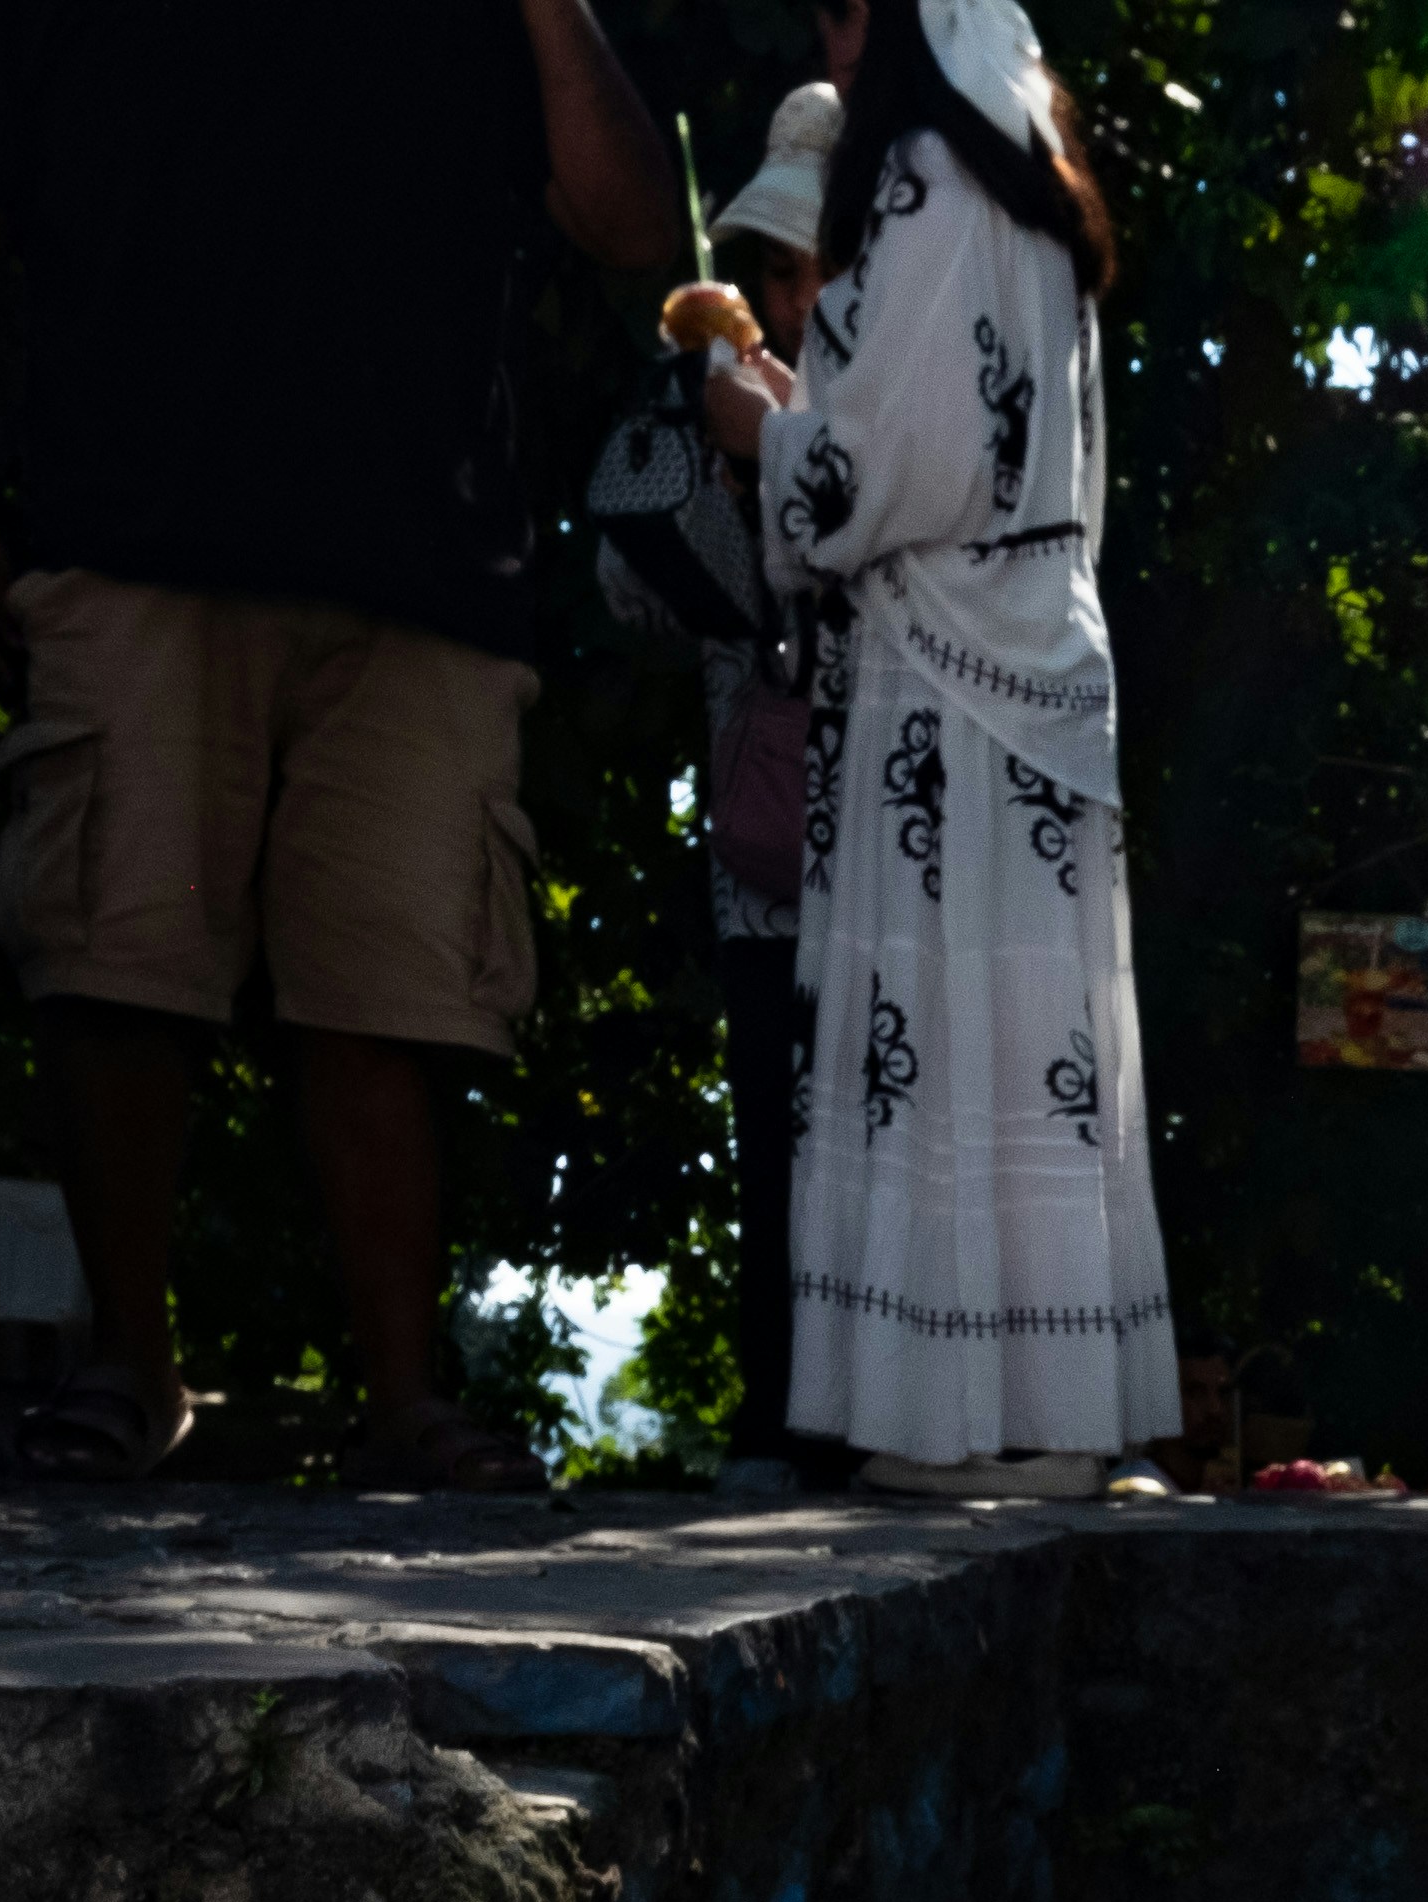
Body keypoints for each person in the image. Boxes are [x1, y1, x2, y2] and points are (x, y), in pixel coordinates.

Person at [0, 0, 679, 1489]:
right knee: (117, 961)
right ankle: (131, 1365)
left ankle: (401, 1399)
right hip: (132, 516)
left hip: (423, 566)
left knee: (393, 999)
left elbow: (636, 226)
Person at [698, 0, 1175, 1498]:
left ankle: (952, 1422)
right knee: (1033, 1046)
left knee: (941, 1041)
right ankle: (1049, 1416)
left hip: (940, 681)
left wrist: (753, 426)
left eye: (848, 6)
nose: (834, 40)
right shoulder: (1029, 175)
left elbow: (869, 474)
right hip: (1040, 652)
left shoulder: (917, 174)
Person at [601, 76, 845, 1488]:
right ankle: (778, 1402)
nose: (781, 286)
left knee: (863, 1121)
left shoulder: (877, 390)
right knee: (773, 1116)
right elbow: (633, 592)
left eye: (801, 260)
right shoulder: (706, 406)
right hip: (764, 851)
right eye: (764, 263)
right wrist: (703, 438)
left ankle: (860, 1407)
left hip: (884, 835)